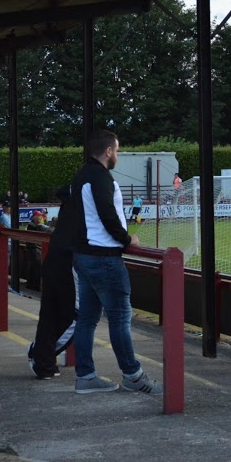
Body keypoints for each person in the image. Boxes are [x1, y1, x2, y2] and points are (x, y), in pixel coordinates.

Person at [68, 130, 161, 396]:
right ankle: (133, 375)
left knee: (87, 319)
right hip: (104, 258)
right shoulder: (100, 177)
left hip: (84, 256)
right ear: (108, 151)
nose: (117, 155)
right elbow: (108, 215)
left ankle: (85, 377)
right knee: (120, 318)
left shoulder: (82, 174)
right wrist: (126, 239)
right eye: (117, 151)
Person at [28, 189, 78, 379]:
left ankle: (44, 362)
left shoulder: (69, 203)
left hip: (53, 261)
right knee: (77, 316)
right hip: (68, 264)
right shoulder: (84, 201)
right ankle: (40, 355)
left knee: (49, 315)